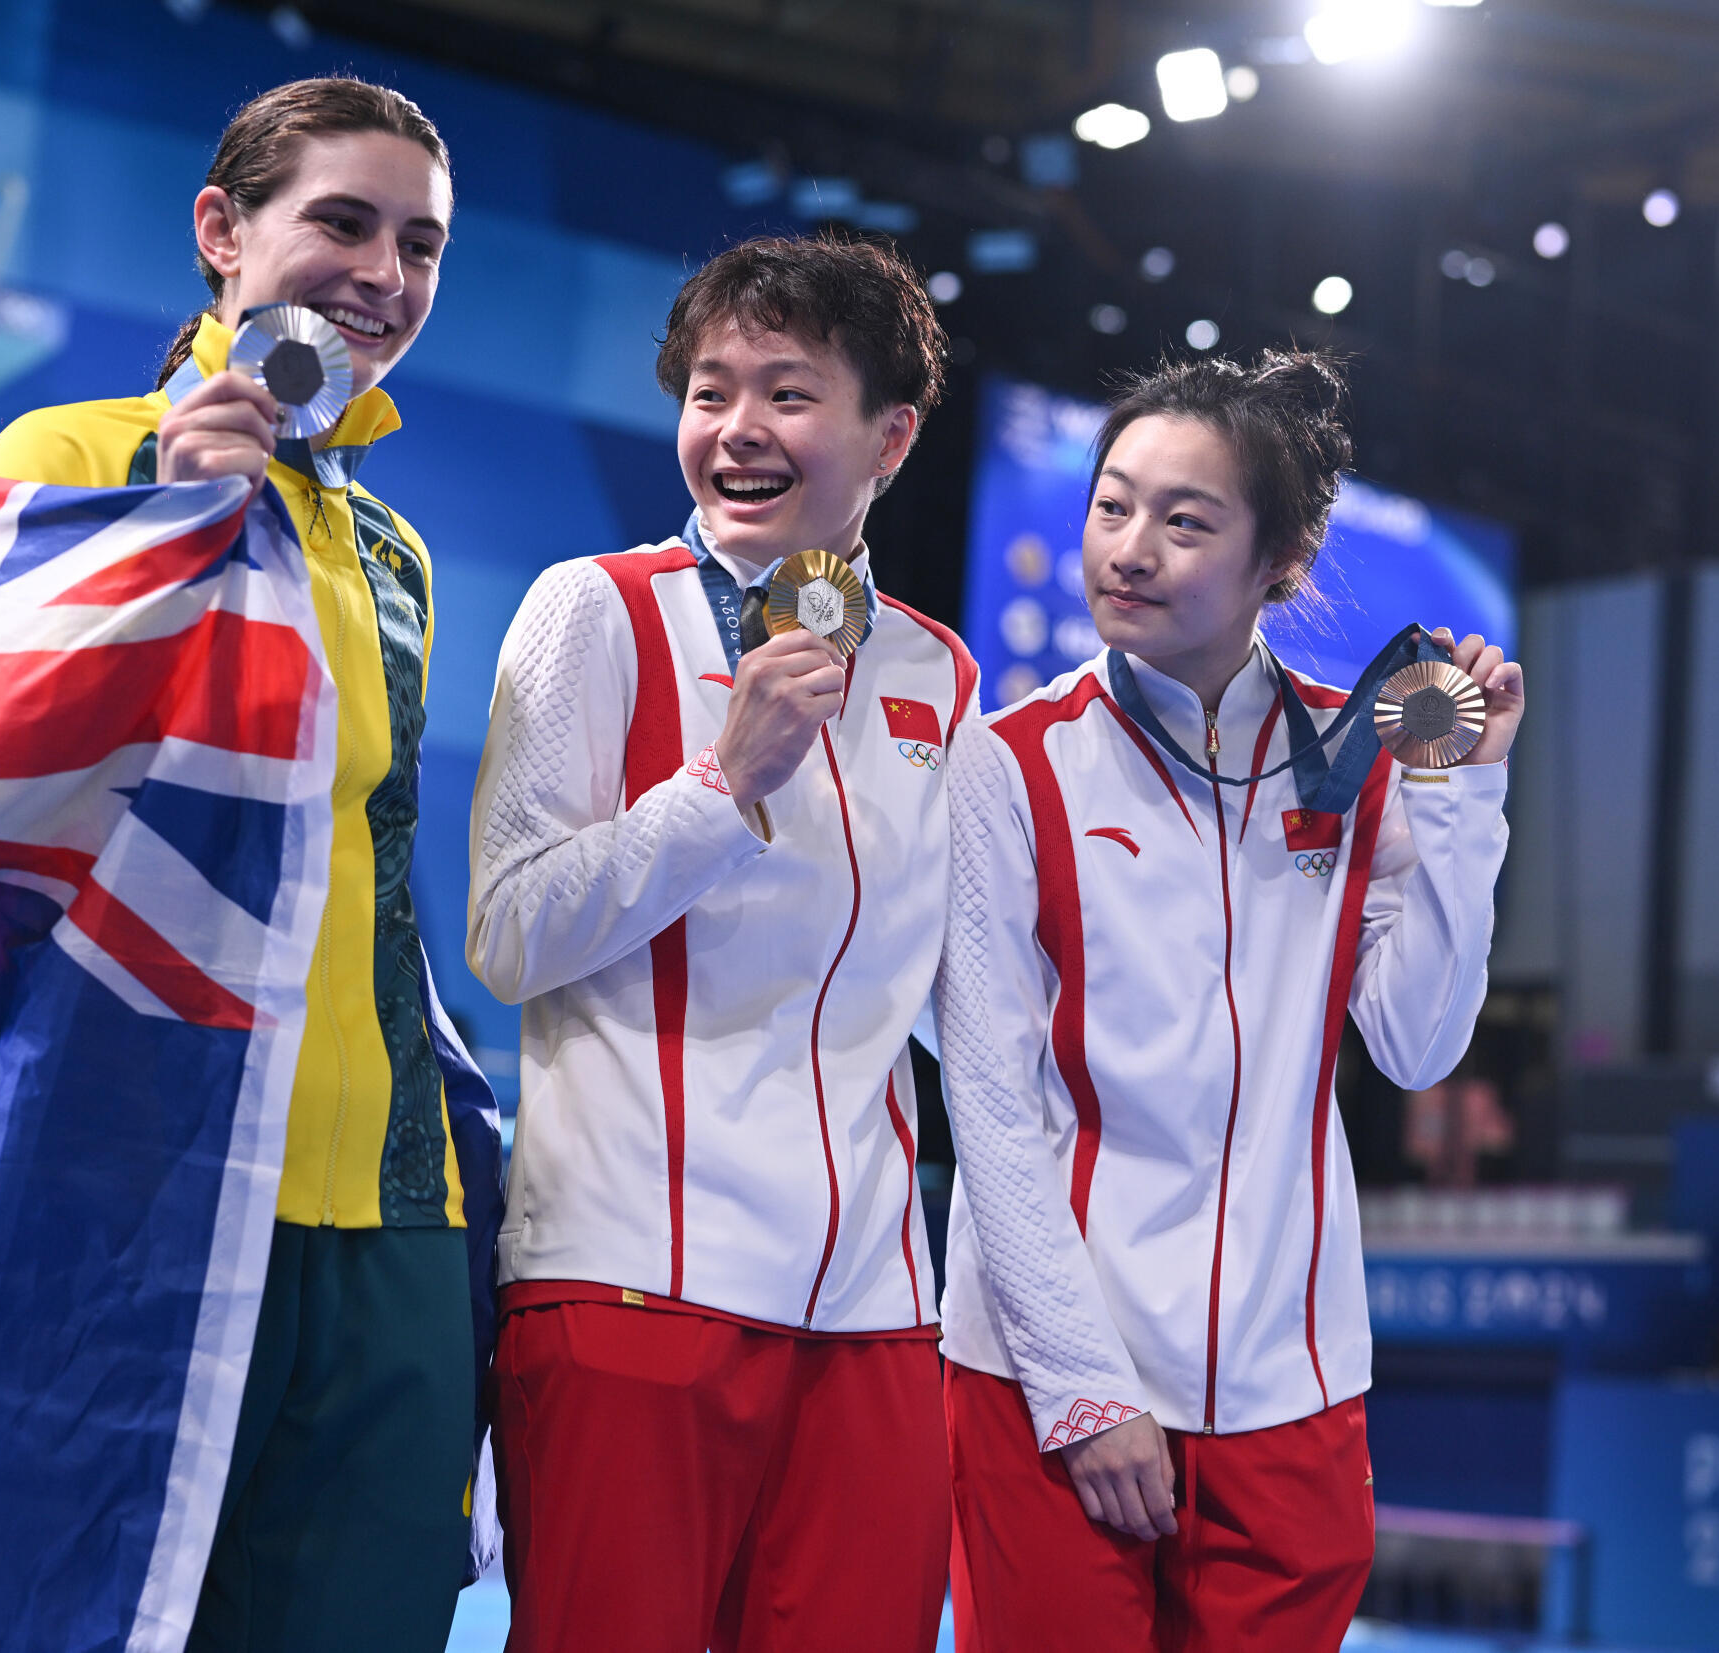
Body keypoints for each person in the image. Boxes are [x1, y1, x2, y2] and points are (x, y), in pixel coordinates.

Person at [0, 77, 494, 1653]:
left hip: (391, 1211)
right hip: (127, 1180)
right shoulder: (77, 450)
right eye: (343, 223)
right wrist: (168, 517)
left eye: (420, 244)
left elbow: (372, 872)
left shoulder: (391, 546)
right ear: (224, 234)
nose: (384, 273)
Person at [933, 351, 1523, 1651]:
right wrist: (1085, 1393)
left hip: (1291, 1385)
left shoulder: (1354, 751)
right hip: (1050, 1377)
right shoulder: (1008, 762)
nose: (1129, 548)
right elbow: (988, 1098)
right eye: (1111, 505)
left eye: (1184, 519)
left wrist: (1466, 799)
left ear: (1282, 562)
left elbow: (1417, 1043)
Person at [466, 234, 977, 1653]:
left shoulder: (941, 670)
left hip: (873, 1308)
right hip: (633, 1284)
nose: (737, 429)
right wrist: (721, 783)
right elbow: (510, 929)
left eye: (787, 392)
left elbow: (959, 1000)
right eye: (710, 390)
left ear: (892, 433)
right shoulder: (596, 610)